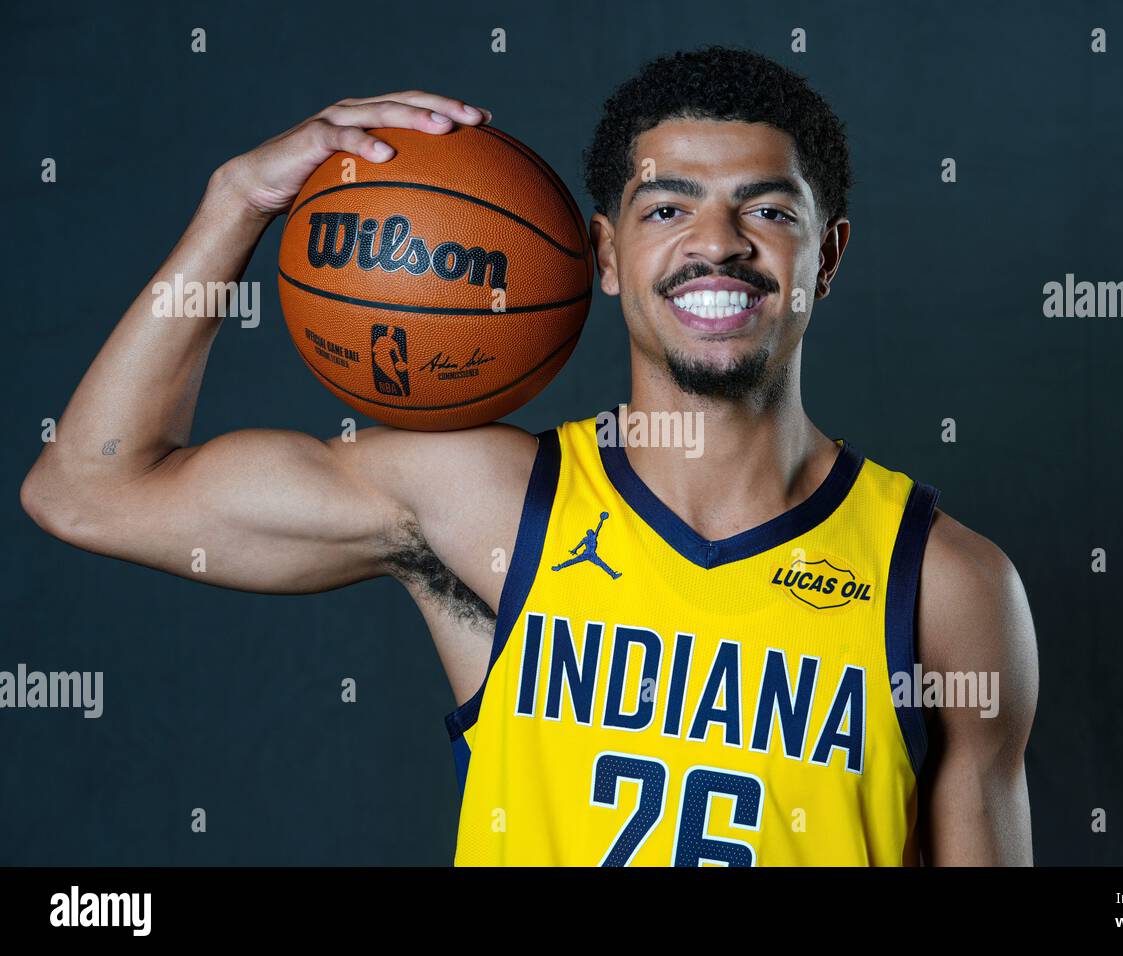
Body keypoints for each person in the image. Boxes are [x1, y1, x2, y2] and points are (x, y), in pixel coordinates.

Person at [21, 47, 1038, 866]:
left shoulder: (944, 582)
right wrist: (235, 204)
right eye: (667, 207)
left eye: (768, 210)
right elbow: (89, 489)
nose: (717, 242)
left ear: (828, 253)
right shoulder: (489, 505)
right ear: (602, 255)